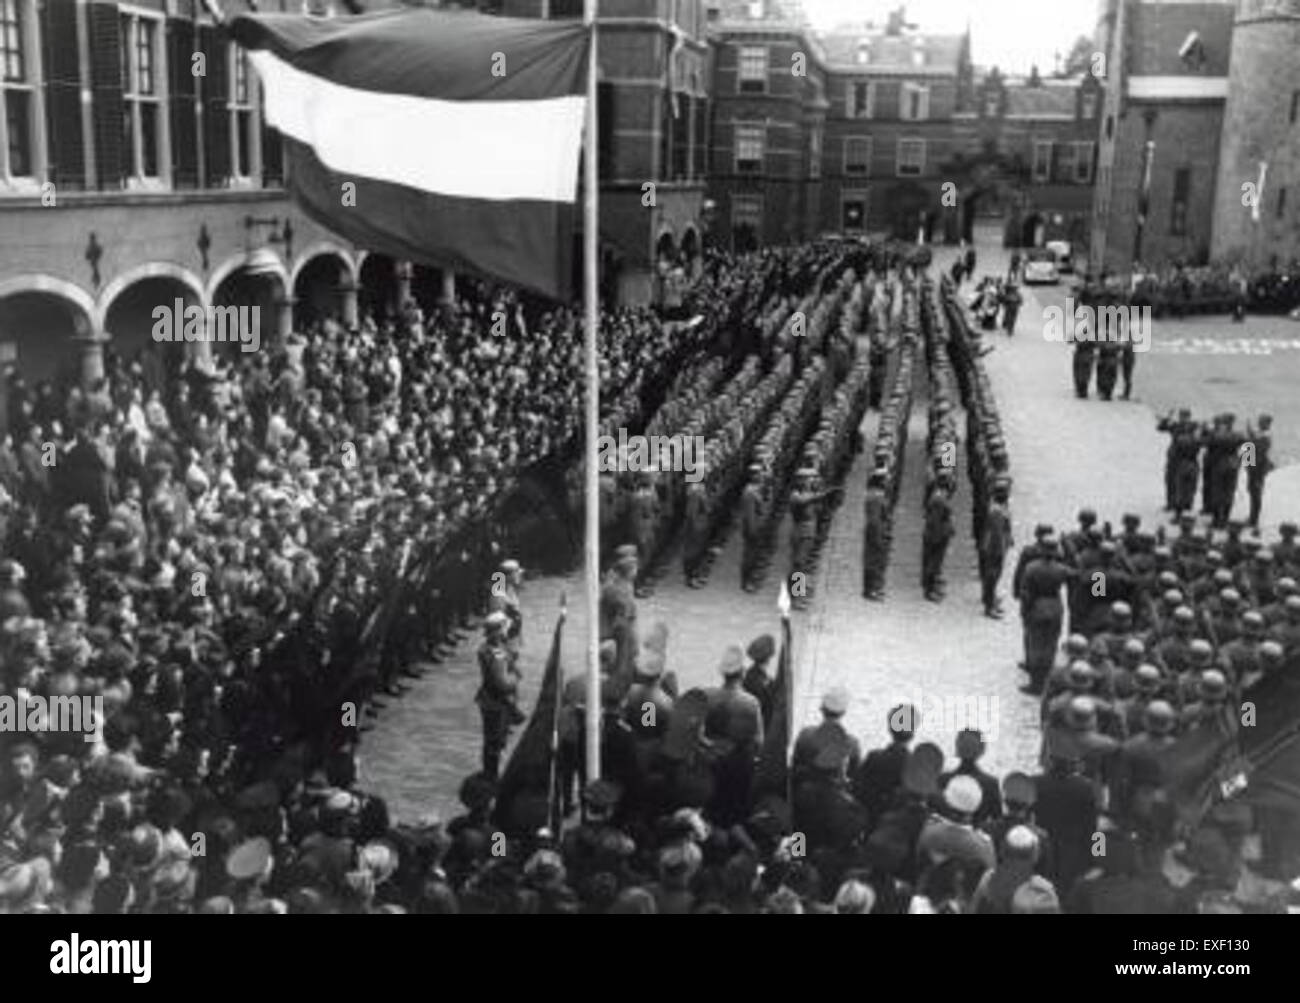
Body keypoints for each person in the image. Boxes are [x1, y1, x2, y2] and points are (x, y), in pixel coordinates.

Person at [474, 611, 524, 780]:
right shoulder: (495, 653)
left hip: (491, 699)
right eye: (503, 628)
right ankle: (491, 776)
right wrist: (515, 678)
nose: (505, 631)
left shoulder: (491, 647)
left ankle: (490, 773)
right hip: (496, 701)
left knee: (493, 741)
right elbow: (502, 683)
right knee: (494, 743)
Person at [1245, 414, 1274, 530]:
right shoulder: (1262, 435)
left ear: (1266, 424)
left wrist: (1249, 436)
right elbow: (1253, 442)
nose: (1259, 423)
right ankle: (1252, 517)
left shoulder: (1265, 437)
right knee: (1252, 491)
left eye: (1261, 422)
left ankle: (1254, 519)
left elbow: (1254, 446)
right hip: (1254, 468)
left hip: (1258, 469)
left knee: (1255, 493)